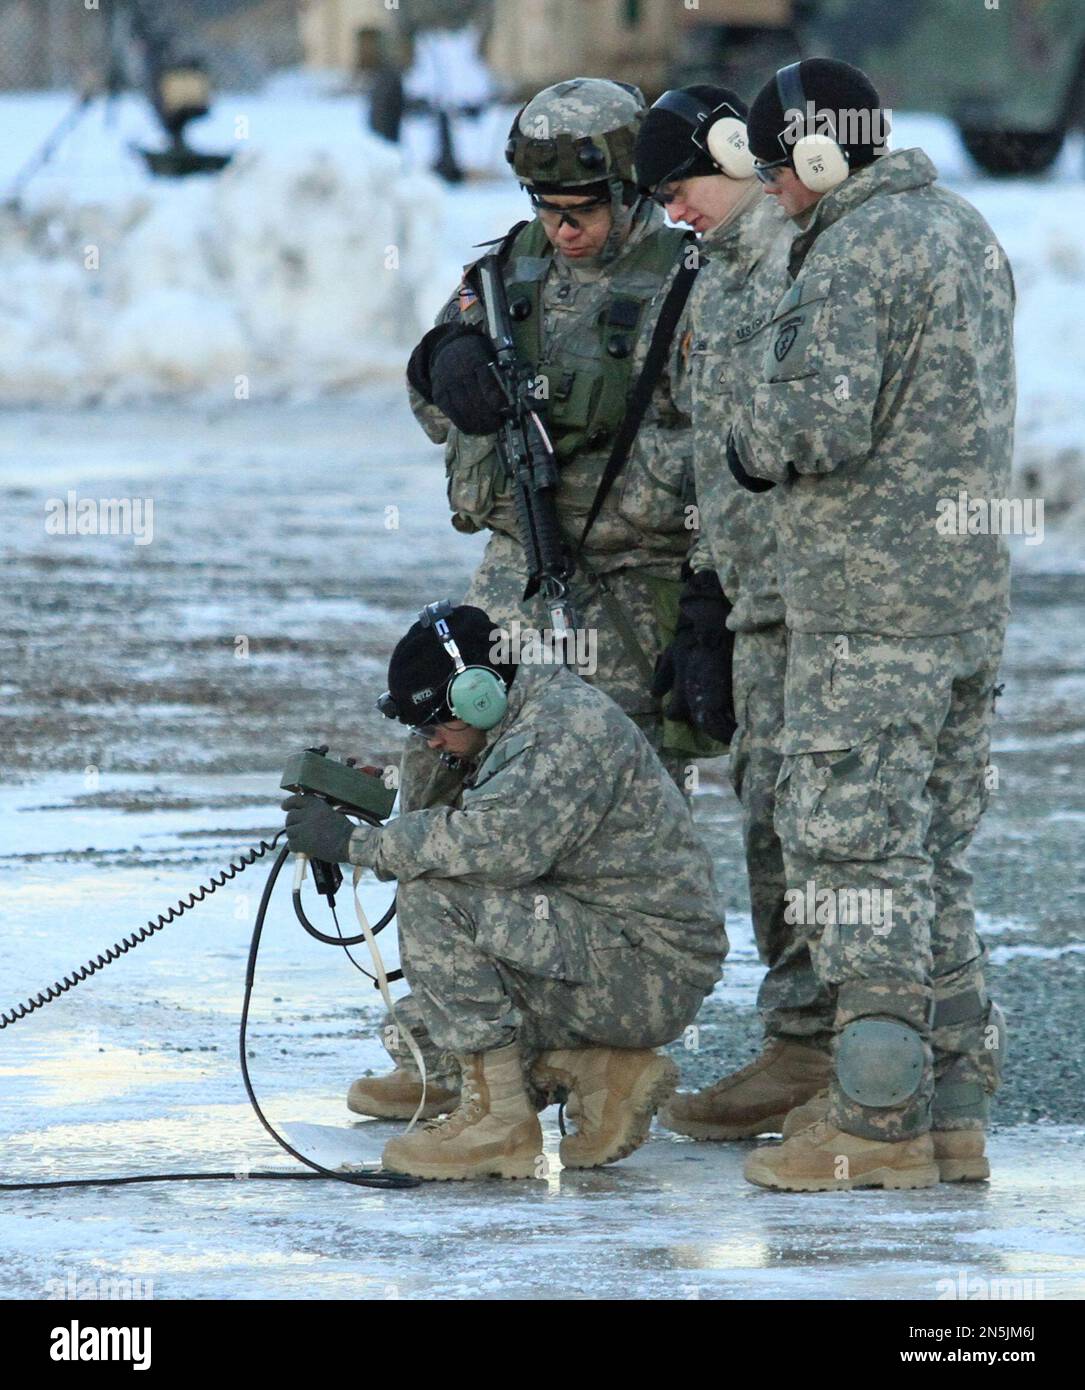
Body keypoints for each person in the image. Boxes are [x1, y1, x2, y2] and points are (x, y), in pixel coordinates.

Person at [723, 59, 1014, 1190]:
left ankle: (876, 1121)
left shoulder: (853, 249)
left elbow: (815, 423)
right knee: (931, 857)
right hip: (959, 607)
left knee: (855, 857)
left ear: (812, 154)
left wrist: (747, 413)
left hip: (865, 611)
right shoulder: (961, 229)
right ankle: (949, 1117)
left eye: (778, 172)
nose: (775, 197)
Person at [282, 603, 728, 1181]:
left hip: (648, 969)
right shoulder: (500, 722)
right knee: (420, 1032)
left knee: (434, 899)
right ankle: (595, 1070)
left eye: (437, 725)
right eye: (420, 729)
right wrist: (396, 785)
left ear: (480, 696)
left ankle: (502, 1124)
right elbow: (445, 820)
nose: (432, 738)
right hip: (598, 946)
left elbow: (493, 850)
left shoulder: (562, 732)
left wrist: (359, 846)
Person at [406, 76, 722, 791]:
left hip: (632, 586)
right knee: (453, 772)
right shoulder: (500, 275)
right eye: (545, 209)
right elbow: (428, 403)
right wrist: (444, 362)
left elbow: (730, 456)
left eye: (581, 210)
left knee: (615, 800)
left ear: (632, 190)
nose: (562, 230)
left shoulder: (690, 287)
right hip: (514, 570)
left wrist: (710, 602)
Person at [633, 87, 837, 1141]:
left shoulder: (809, 259)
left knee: (834, 825)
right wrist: (706, 592)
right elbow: (712, 446)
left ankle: (863, 1052)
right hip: (752, 595)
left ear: (732, 152)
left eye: (680, 186)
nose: (673, 210)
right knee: (767, 814)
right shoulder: (714, 276)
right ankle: (800, 1042)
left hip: (825, 599)